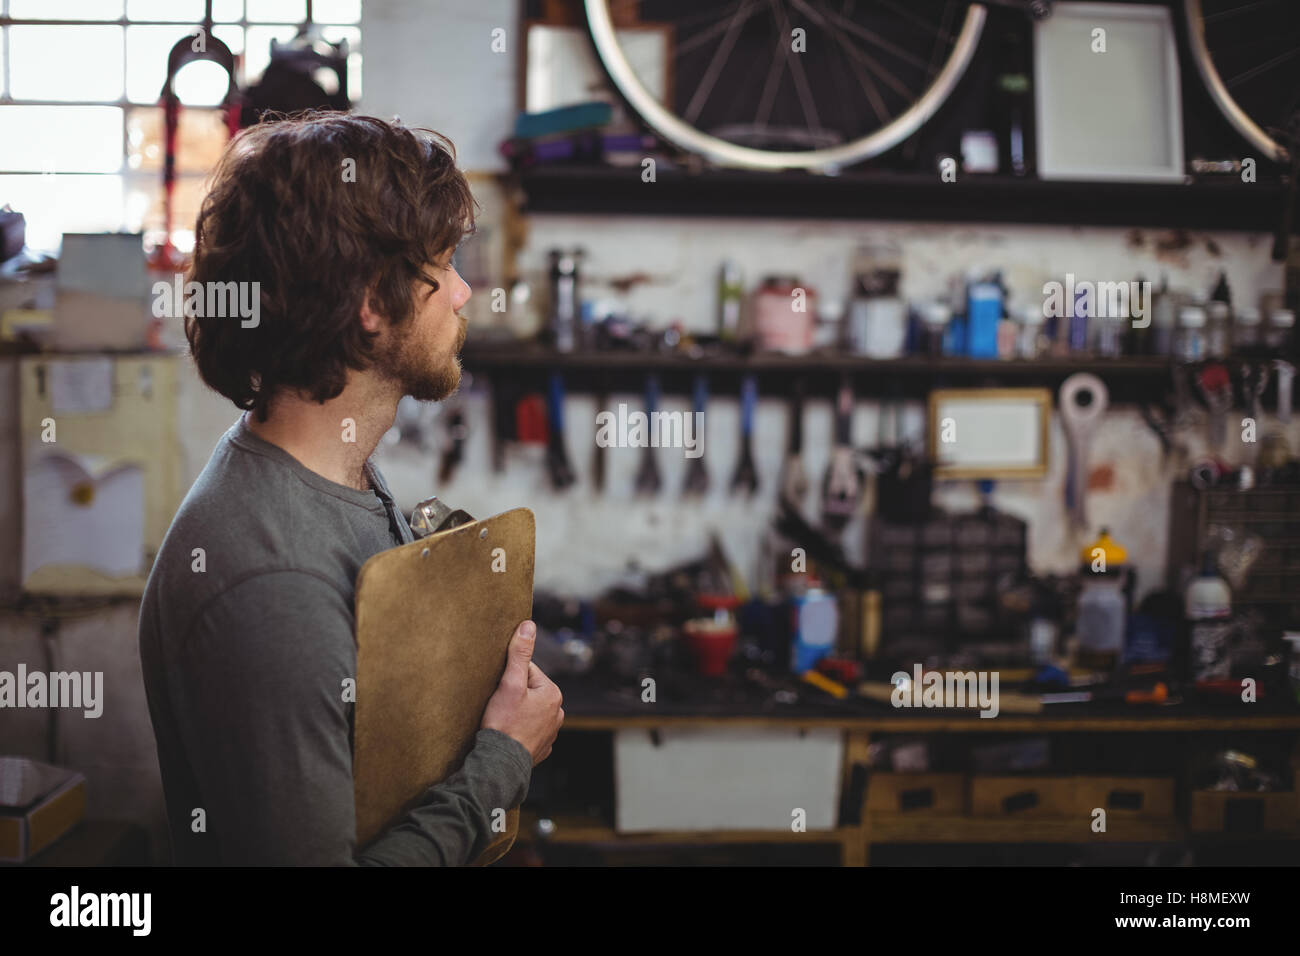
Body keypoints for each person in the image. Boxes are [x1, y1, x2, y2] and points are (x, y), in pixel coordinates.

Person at [138, 112, 563, 865]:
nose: (463, 294)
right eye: (445, 265)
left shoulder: (336, 474)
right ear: (372, 303)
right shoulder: (273, 583)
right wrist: (503, 758)